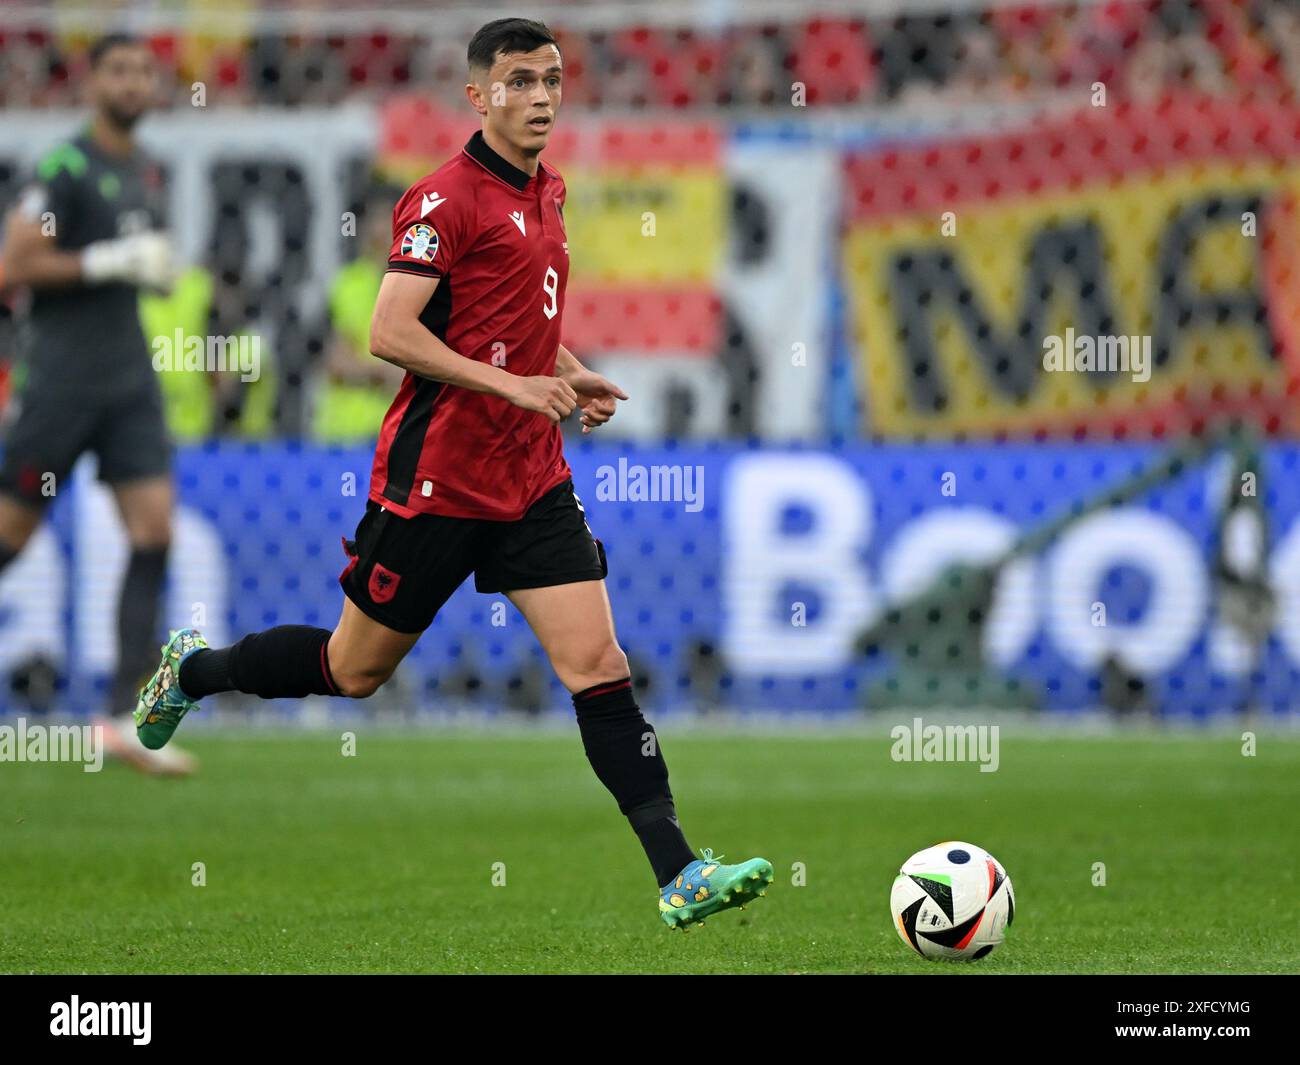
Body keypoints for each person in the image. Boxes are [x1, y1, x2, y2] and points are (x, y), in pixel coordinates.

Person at [135, 17, 772, 929]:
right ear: (478, 95)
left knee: (597, 660)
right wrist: (513, 384)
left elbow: (511, 319)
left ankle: (678, 871)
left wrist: (563, 369)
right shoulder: (443, 200)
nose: (542, 97)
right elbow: (390, 332)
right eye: (520, 82)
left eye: (552, 79)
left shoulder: (548, 191)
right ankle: (191, 671)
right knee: (352, 670)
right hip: (437, 479)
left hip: (532, 476)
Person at [0, 33, 193, 775]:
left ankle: (121, 718)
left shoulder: (141, 171)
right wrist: (112, 260)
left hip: (126, 382)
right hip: (61, 384)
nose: (134, 82)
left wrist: (150, 272)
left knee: (154, 530)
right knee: (12, 536)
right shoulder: (67, 167)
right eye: (119, 70)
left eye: (145, 71)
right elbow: (17, 262)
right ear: (92, 83)